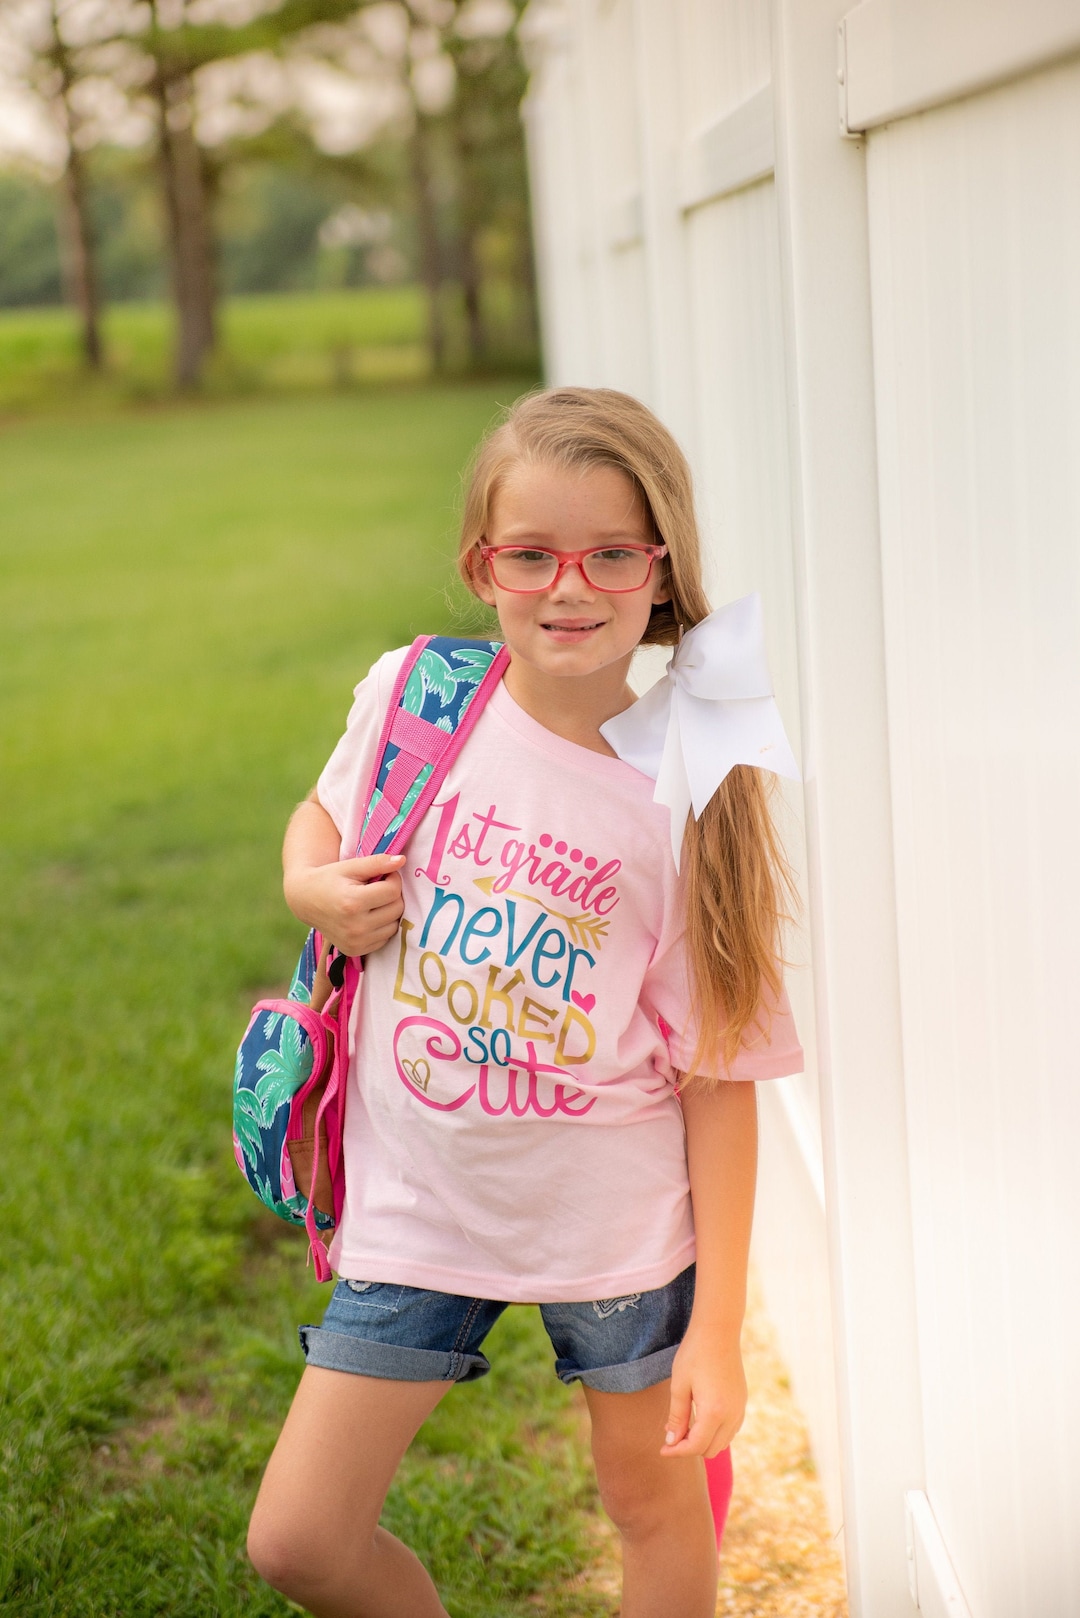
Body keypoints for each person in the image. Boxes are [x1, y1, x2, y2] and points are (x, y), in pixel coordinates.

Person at [246, 387, 803, 1618]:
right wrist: (309, 885)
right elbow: (323, 817)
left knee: (650, 1504)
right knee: (299, 1540)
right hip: (419, 1206)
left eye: (613, 553)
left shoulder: (687, 788)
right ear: (480, 564)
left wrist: (717, 1329)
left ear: (661, 573)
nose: (572, 585)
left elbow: (719, 1082)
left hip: (614, 1231)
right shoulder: (415, 697)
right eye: (533, 553)